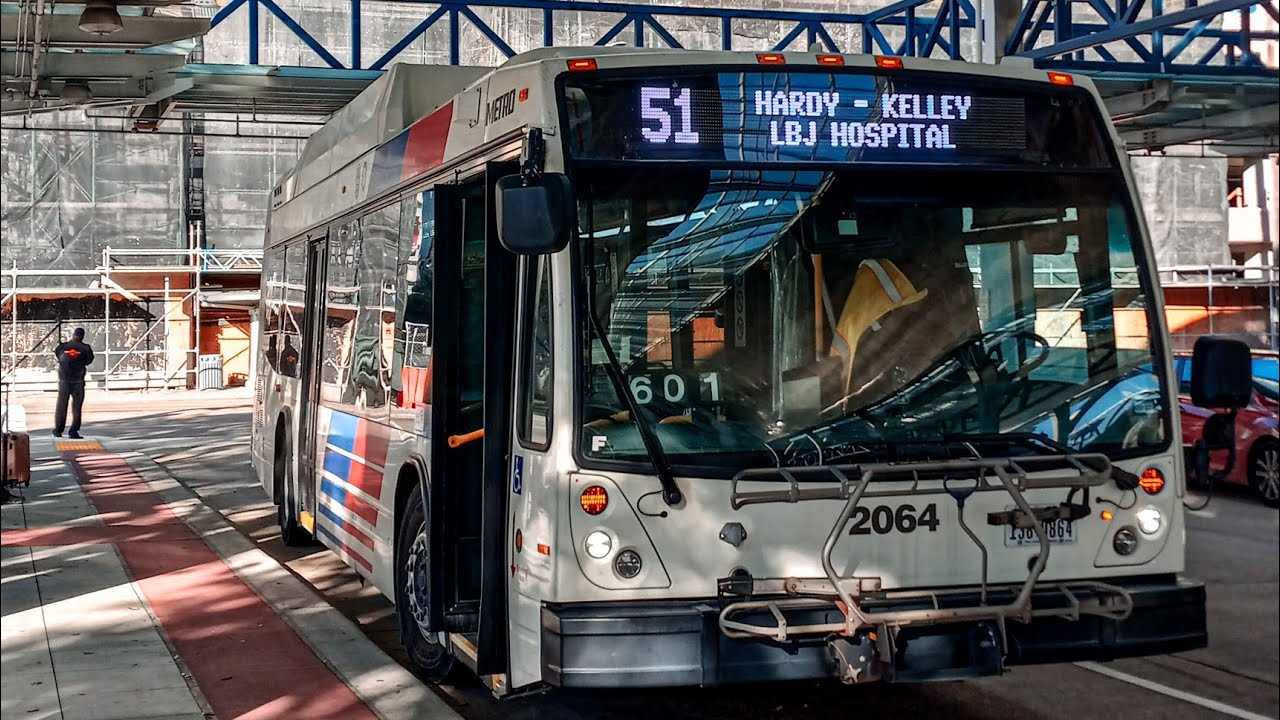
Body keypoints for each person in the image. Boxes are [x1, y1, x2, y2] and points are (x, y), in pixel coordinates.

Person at [53, 327, 94, 439]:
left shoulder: (63, 347)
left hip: (64, 380)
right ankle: (73, 431)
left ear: (73, 335)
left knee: (61, 407)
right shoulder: (85, 348)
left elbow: (58, 355)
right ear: (82, 336)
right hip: (78, 381)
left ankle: (58, 430)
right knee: (76, 408)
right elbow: (88, 361)